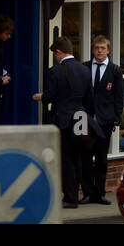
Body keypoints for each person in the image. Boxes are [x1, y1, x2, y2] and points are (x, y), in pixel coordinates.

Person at [35, 36, 92, 209]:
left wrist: (40, 97)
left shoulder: (55, 71)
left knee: (66, 158)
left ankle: (70, 197)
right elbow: (90, 98)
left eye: (55, 53)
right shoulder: (84, 70)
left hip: (63, 119)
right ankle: (75, 193)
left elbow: (51, 97)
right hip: (81, 118)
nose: (55, 57)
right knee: (77, 157)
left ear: (59, 52)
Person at [83, 35, 124, 206]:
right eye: (96, 48)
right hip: (86, 119)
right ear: (93, 50)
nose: (99, 51)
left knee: (101, 158)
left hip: (105, 121)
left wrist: (116, 118)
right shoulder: (84, 67)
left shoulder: (115, 70)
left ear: (108, 50)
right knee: (85, 157)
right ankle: (87, 193)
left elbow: (119, 96)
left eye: (102, 48)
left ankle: (99, 193)